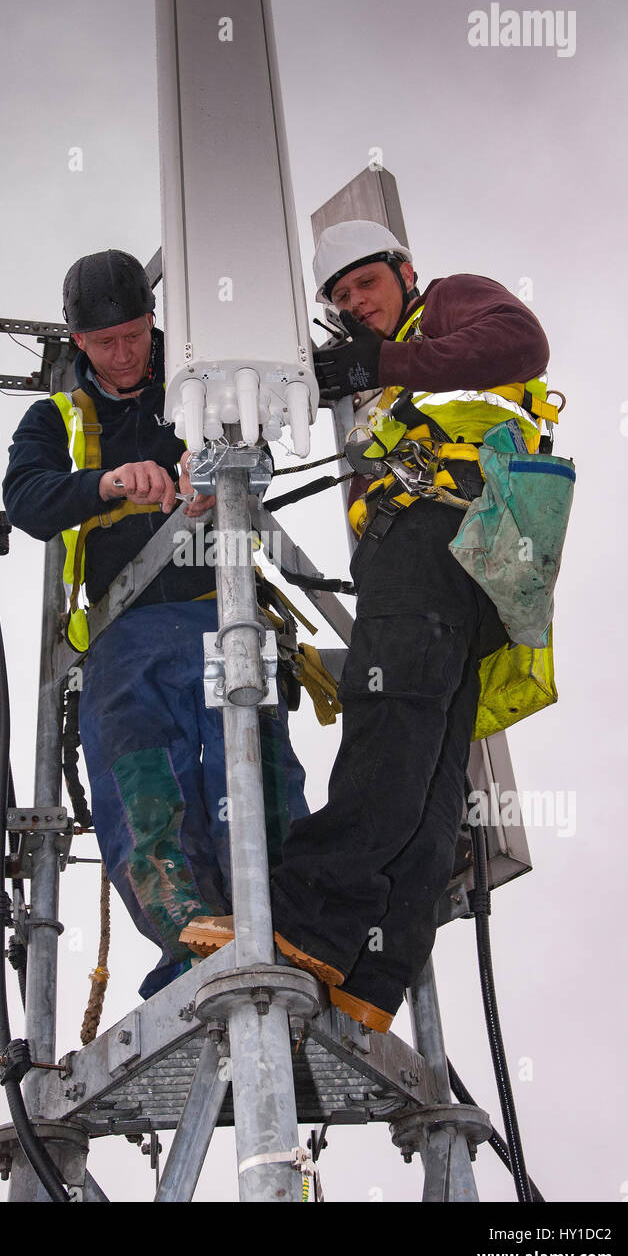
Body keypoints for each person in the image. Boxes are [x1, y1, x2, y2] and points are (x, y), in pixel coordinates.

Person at [182, 220, 558, 1033]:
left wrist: (377, 362)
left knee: (389, 728)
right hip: (473, 564)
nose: (357, 303)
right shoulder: (382, 374)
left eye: (367, 285)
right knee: (428, 772)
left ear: (406, 272)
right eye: (342, 297)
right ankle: (373, 974)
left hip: (435, 543)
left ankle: (302, 924)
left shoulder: (451, 305)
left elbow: (521, 341)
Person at [2, 249, 308, 999]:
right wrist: (106, 482)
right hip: (126, 635)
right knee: (145, 787)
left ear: (153, 322)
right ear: (77, 341)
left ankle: (285, 927)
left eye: (134, 334)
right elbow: (28, 500)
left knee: (258, 780)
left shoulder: (204, 385)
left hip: (225, 614)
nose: (124, 351)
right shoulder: (57, 417)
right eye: (105, 342)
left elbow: (261, 449)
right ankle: (190, 937)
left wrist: (222, 475)